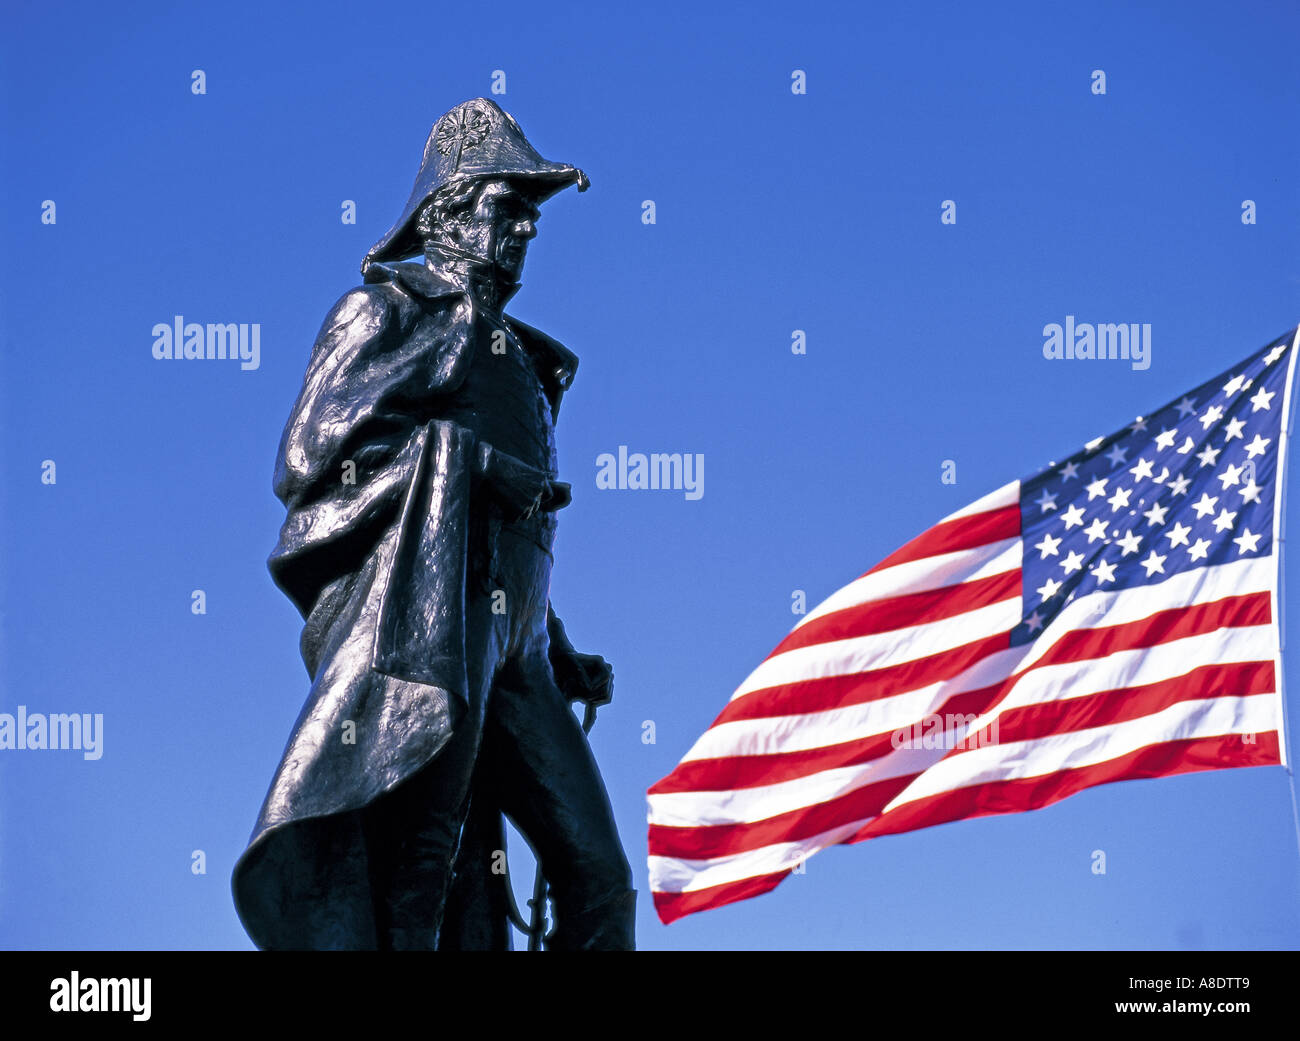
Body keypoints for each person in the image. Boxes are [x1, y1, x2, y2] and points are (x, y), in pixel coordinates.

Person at [231, 98, 635, 951]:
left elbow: (514, 535)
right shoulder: (381, 314)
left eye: (534, 212)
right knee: (423, 868)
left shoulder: (522, 359)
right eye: (508, 205)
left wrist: (555, 644)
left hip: (516, 645)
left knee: (599, 875)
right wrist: (472, 462)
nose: (527, 227)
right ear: (448, 215)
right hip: (431, 636)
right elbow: (307, 457)